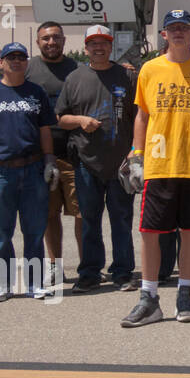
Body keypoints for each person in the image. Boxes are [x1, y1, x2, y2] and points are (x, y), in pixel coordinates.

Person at [119, 10, 190, 327]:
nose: (178, 32)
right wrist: (137, 156)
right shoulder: (150, 69)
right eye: (172, 28)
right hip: (158, 164)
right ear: (164, 34)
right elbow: (141, 116)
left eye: (184, 28)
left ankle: (184, 295)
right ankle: (149, 298)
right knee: (150, 232)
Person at [0, 41, 57, 300]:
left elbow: (45, 131)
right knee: (2, 231)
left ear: (27, 62)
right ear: (2, 63)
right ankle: (3, 284)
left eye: (21, 57)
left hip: (32, 169)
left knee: (33, 229)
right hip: (0, 173)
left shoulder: (36, 92)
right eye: (11, 58)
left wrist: (50, 161)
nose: (16, 61)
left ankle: (34, 284)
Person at [55, 26, 138, 292]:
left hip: (120, 163)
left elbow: (140, 116)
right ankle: (90, 272)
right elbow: (60, 118)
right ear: (86, 47)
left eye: (104, 43)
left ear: (111, 46)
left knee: (121, 220)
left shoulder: (126, 76)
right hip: (86, 162)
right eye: (93, 43)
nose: (99, 48)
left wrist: (135, 151)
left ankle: (123, 272)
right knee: (89, 220)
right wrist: (80, 120)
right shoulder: (75, 78)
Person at [26, 21, 80, 290]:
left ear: (64, 40)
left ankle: (87, 267)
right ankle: (55, 266)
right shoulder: (28, 70)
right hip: (40, 156)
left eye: (56, 38)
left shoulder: (77, 69)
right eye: (46, 38)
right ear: (38, 42)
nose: (51, 42)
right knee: (49, 215)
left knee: (82, 214)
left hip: (73, 155)